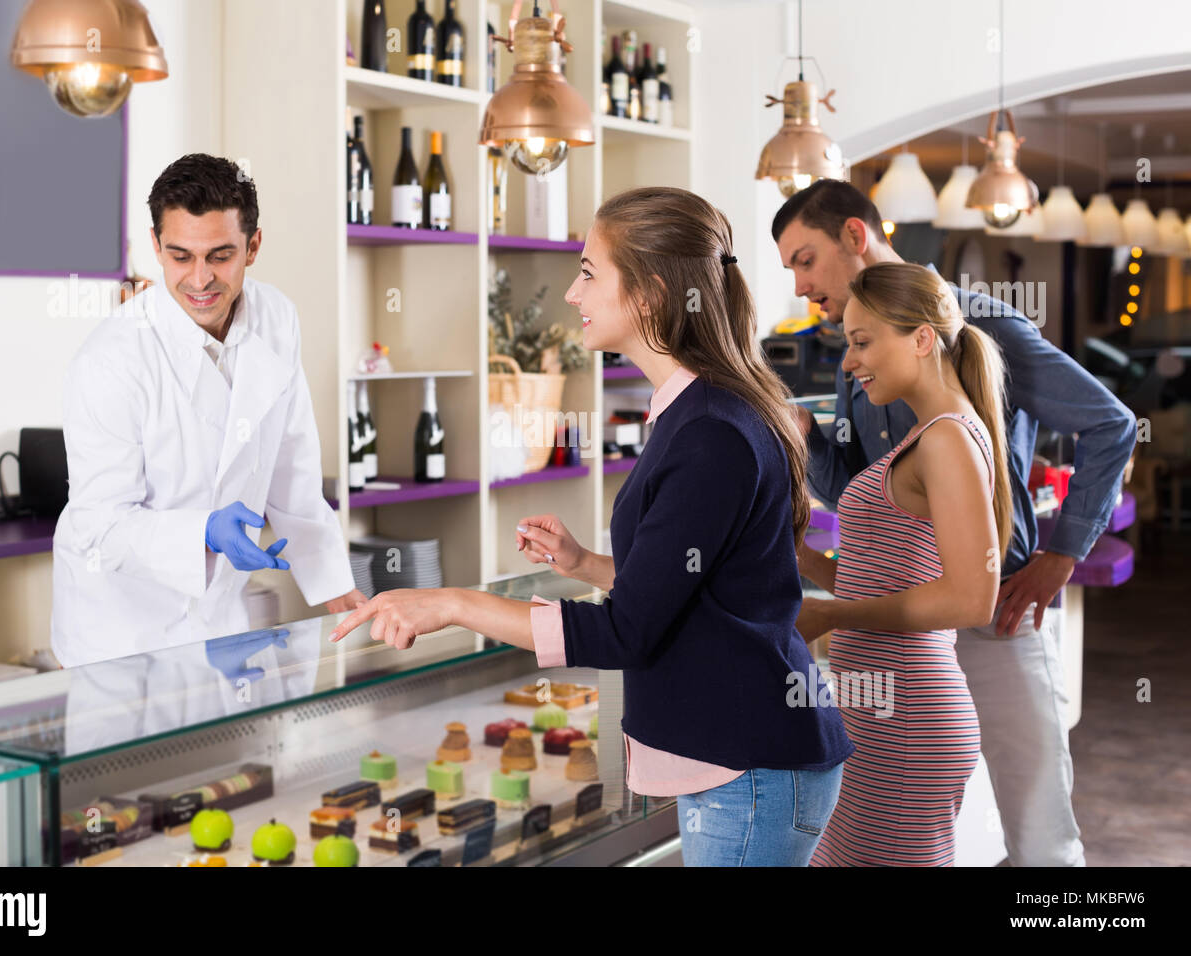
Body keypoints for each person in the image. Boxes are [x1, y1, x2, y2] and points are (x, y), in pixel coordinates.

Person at [330, 187, 853, 866]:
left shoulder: (709, 433)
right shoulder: (695, 413)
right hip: (745, 762)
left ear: (650, 294)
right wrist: (587, 565)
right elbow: (698, 588)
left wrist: (455, 603)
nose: (572, 295)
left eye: (587, 273)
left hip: (748, 768)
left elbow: (625, 632)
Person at [774, 179, 1137, 866]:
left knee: (1040, 832)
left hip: (990, 615)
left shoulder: (983, 328)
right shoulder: (861, 356)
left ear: (855, 236)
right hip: (902, 632)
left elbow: (1112, 425)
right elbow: (857, 490)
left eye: (804, 259)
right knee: (909, 825)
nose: (799, 285)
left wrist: (1061, 556)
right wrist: (807, 440)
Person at [51, 154, 366, 667]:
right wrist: (201, 532)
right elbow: (99, 528)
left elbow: (293, 470)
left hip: (219, 620)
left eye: (220, 256)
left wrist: (336, 587)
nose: (200, 280)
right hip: (118, 637)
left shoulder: (277, 320)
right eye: (180, 256)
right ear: (156, 246)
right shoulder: (110, 358)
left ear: (253, 246)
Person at [796, 262, 1006, 865]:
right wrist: (809, 562)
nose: (847, 362)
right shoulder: (933, 434)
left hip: (908, 724)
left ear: (920, 338)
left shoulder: (945, 438)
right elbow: (890, 585)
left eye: (862, 342)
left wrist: (829, 614)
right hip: (876, 713)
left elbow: (971, 599)